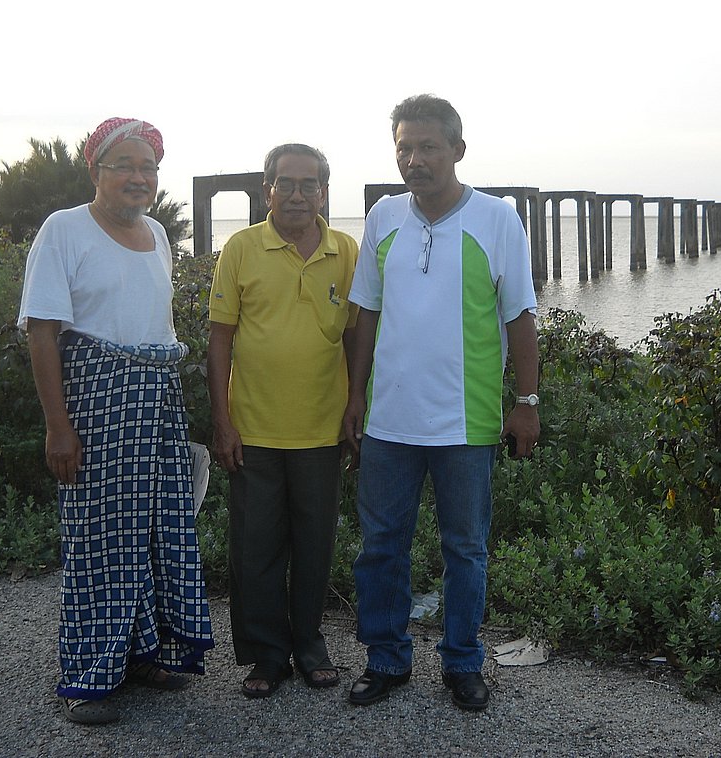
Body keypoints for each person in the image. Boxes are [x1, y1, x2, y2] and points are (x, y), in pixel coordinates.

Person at [343, 94, 541, 712]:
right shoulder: (382, 217)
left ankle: (461, 662)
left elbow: (521, 317)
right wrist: (353, 396)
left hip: (468, 422)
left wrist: (527, 402)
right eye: (404, 147)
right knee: (381, 545)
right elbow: (366, 312)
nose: (415, 159)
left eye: (428, 146)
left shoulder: (497, 220)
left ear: (458, 149)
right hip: (388, 421)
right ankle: (386, 659)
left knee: (466, 548)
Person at [18, 118, 214, 724]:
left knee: (156, 530)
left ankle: (144, 653)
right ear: (95, 170)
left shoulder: (156, 233)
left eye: (148, 167)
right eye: (123, 165)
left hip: (155, 402)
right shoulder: (64, 230)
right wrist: (58, 426)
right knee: (101, 540)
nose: (137, 177)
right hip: (97, 404)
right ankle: (86, 676)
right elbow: (44, 334)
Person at [207, 144, 358, 699]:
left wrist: (355, 401)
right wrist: (221, 421)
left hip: (321, 429)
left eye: (309, 184)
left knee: (315, 545)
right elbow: (219, 337)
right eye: (285, 183)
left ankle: (310, 646)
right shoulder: (242, 248)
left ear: (324, 191)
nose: (297, 194)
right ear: (267, 189)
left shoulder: (346, 251)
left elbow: (356, 333)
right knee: (255, 548)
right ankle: (266, 656)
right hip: (253, 430)